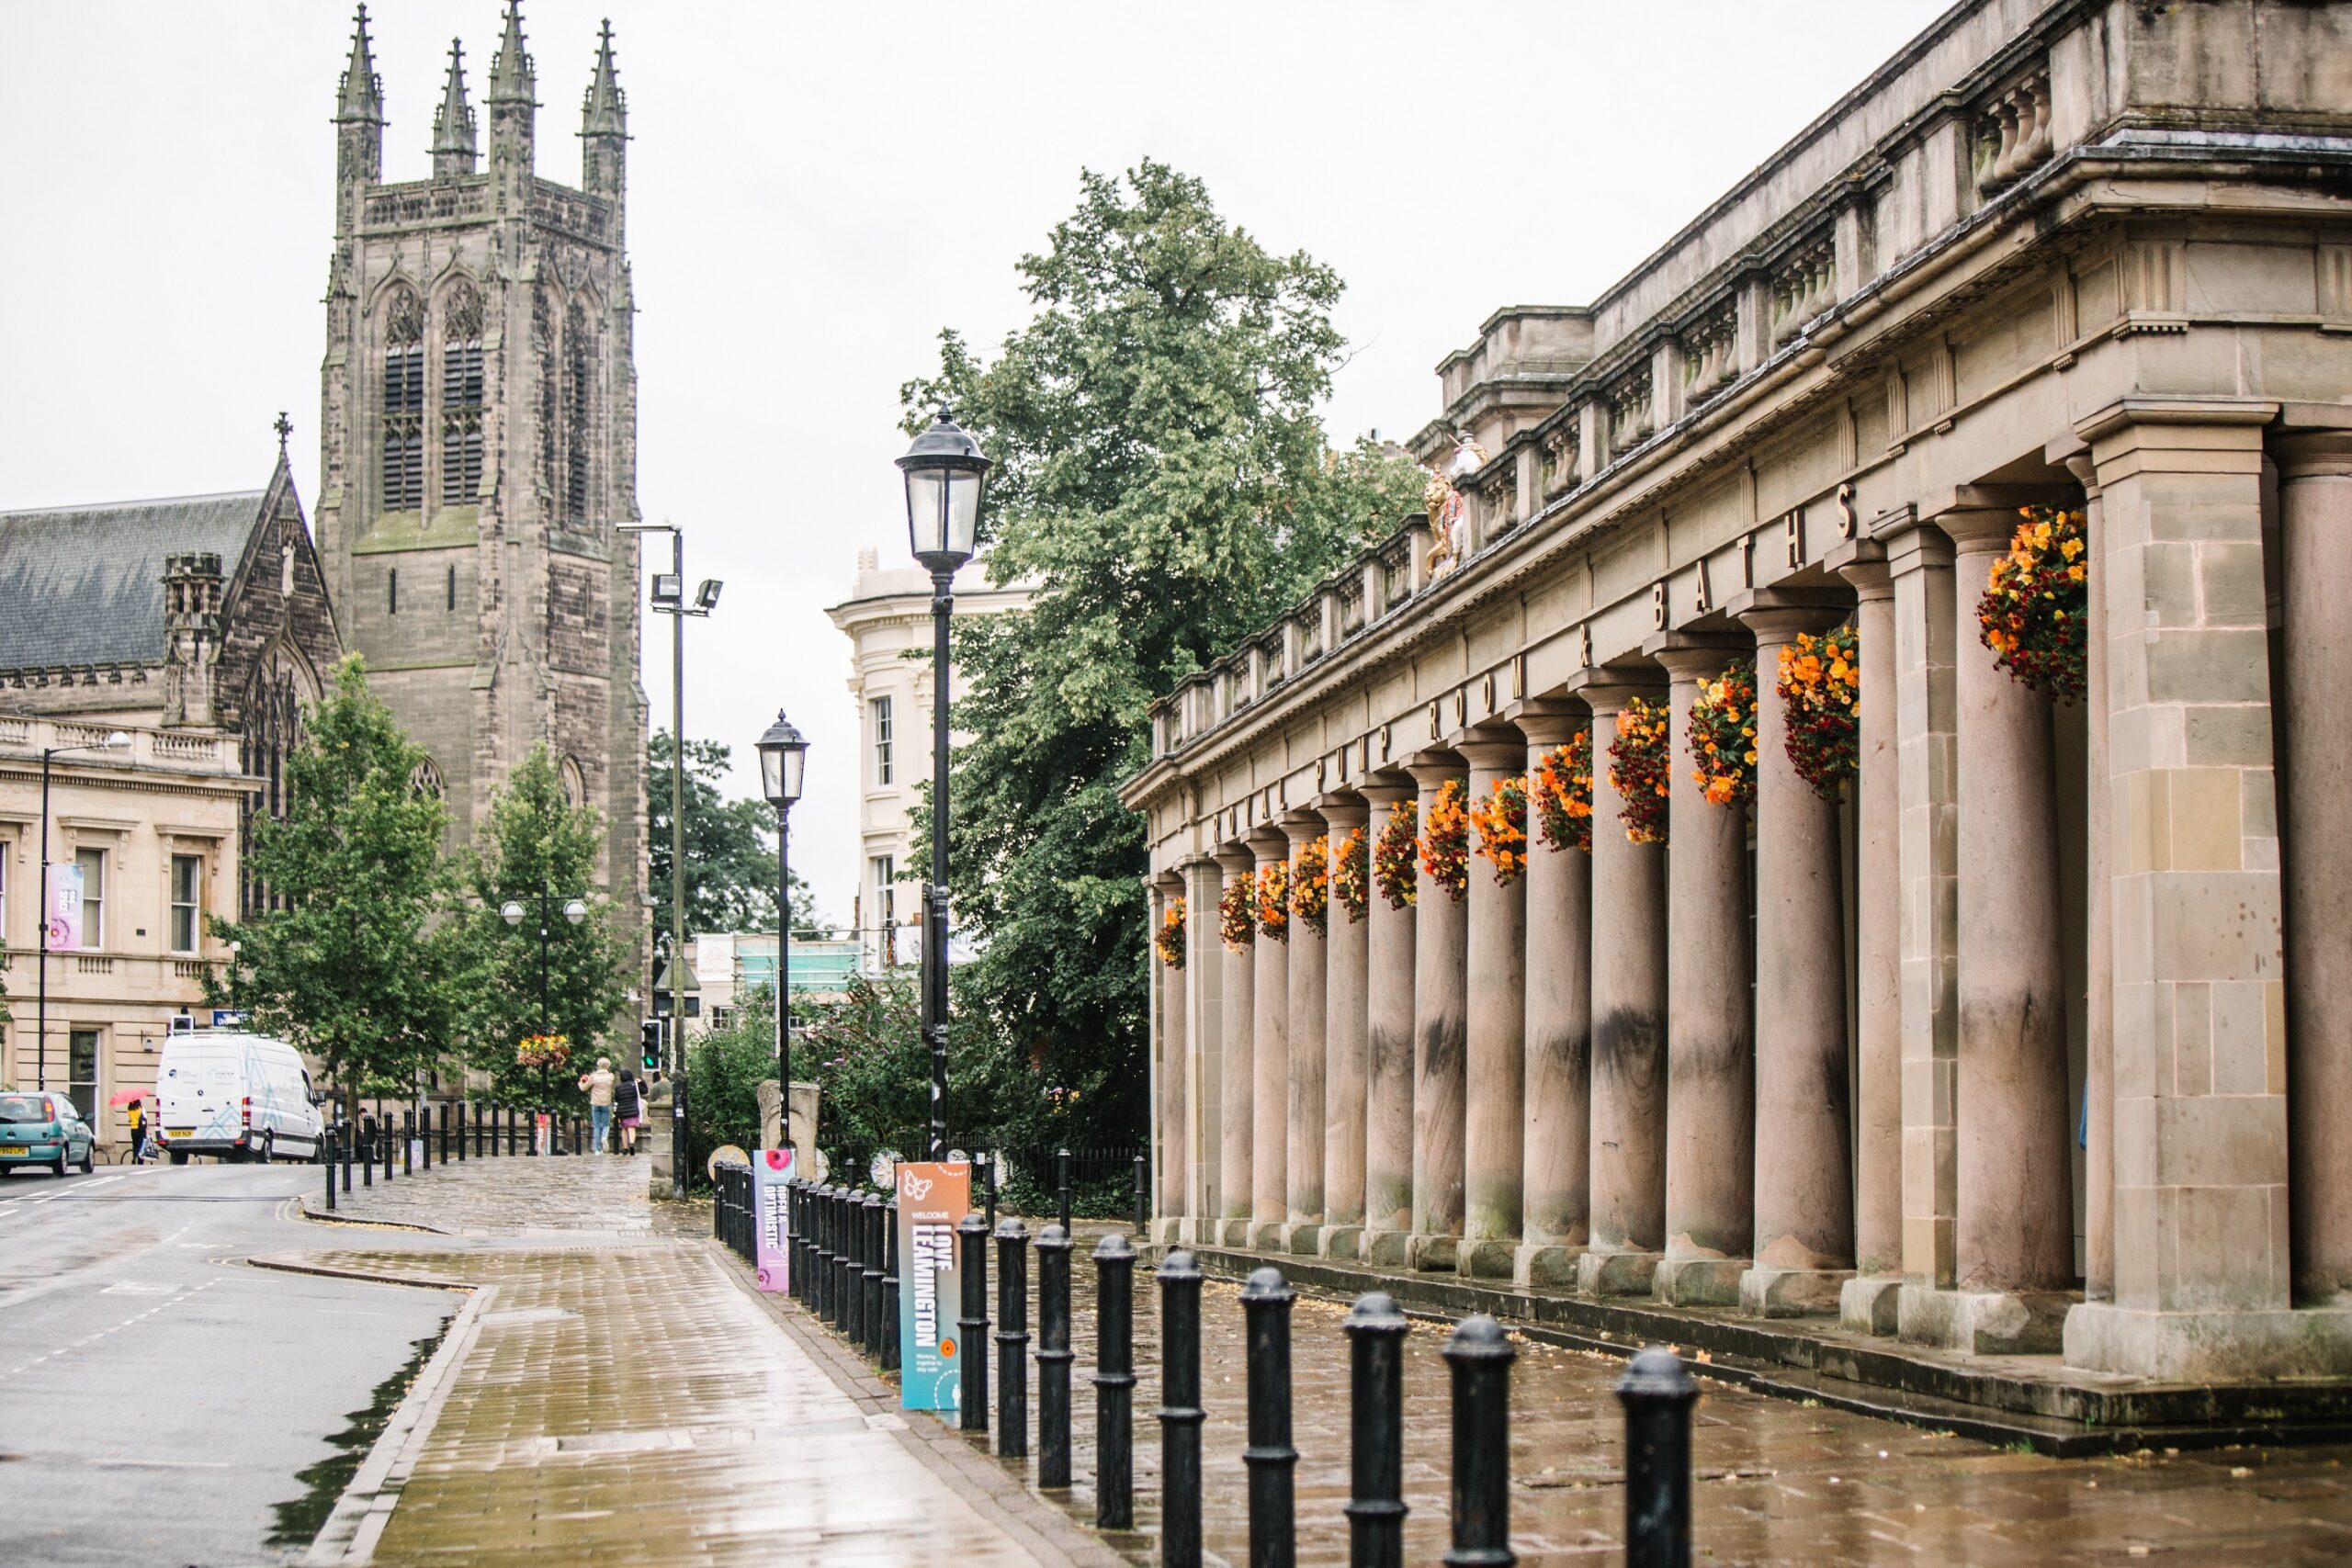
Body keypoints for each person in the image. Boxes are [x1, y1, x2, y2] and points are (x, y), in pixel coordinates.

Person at [578, 1057, 616, 1154]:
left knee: (597, 1126)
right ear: (608, 1066)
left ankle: (598, 1149)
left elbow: (583, 1088)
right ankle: (604, 1137)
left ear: (598, 1065)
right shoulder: (611, 1076)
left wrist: (582, 1081)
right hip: (606, 1103)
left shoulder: (593, 1077)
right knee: (606, 1125)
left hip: (595, 1103)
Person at [615, 1068, 644, 1155]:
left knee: (624, 1129)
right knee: (631, 1128)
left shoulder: (618, 1087)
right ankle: (631, 1144)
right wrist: (641, 1082)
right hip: (633, 1110)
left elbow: (617, 1099)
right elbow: (645, 1090)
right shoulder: (634, 1085)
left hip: (622, 1111)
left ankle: (625, 1148)